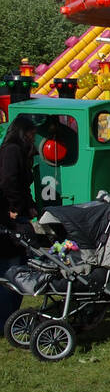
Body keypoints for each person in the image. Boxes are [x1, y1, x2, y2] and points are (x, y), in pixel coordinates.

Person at [0, 115, 39, 325]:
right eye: (31, 135)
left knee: (18, 265)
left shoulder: (18, 151)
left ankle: (11, 315)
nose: (33, 139)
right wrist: (14, 207)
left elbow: (22, 185)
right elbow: (9, 181)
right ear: (23, 132)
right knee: (12, 268)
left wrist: (31, 206)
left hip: (17, 210)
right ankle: (6, 318)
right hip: (8, 215)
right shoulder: (12, 150)